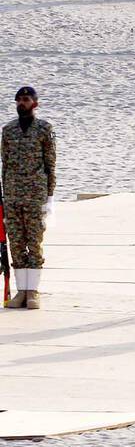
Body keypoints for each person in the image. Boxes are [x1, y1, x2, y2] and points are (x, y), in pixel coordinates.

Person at [2, 86, 56, 310]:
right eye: (19, 100)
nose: (22, 103)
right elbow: (4, 164)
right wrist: (3, 196)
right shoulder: (8, 130)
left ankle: (32, 291)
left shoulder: (44, 129)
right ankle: (20, 291)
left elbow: (50, 164)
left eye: (26, 100)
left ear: (35, 103)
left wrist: (49, 196)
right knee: (16, 242)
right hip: (13, 194)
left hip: (35, 193)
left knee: (34, 242)